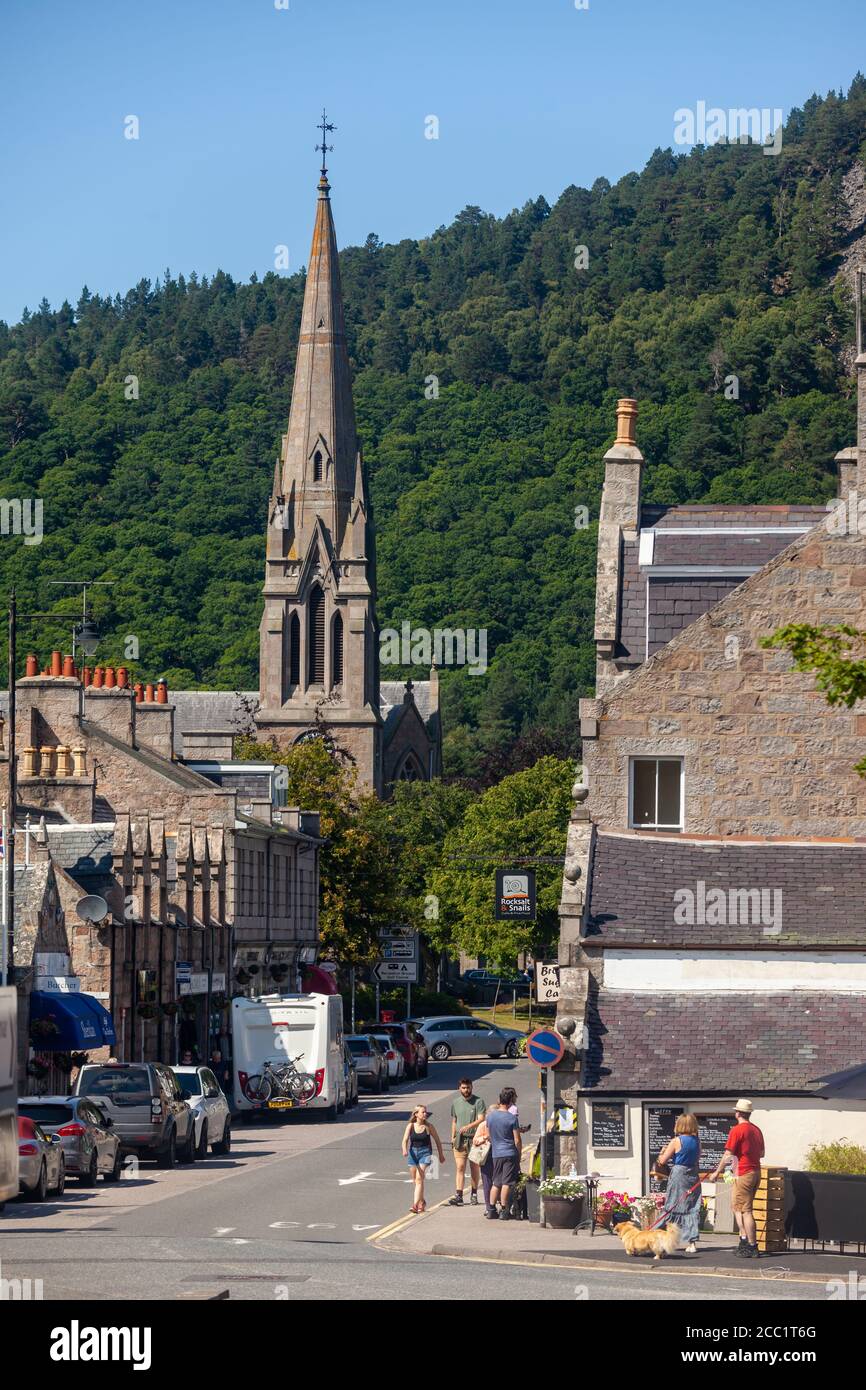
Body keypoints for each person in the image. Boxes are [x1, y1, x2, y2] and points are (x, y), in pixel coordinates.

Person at [707, 1099, 765, 1259]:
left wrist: (717, 1172)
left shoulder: (737, 1130)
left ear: (738, 1113)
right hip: (755, 1171)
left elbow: (728, 1154)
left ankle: (752, 1246)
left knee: (746, 1211)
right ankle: (744, 1240)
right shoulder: (756, 1130)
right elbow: (762, 1153)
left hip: (744, 1173)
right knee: (737, 1207)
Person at [657, 1113, 702, 1254]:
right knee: (691, 1207)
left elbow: (662, 1161)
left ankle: (659, 1236)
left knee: (672, 1204)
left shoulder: (676, 1141)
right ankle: (692, 1243)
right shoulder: (697, 1141)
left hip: (679, 1174)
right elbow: (698, 1158)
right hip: (693, 1174)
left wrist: (662, 1152)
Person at [485, 1088, 522, 1220]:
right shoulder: (512, 1118)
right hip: (509, 1153)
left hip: (496, 1153)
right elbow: (517, 1140)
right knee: (506, 1182)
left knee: (496, 1182)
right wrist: (519, 1154)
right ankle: (504, 1210)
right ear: (510, 1101)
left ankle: (491, 1210)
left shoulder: (490, 1117)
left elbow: (489, 1136)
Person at [449, 1078, 487, 1206]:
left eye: (468, 1087)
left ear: (472, 1087)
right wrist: (453, 1137)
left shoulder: (478, 1102)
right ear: (459, 1088)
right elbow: (454, 1121)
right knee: (460, 1167)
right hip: (460, 1140)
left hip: (475, 1139)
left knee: (474, 1167)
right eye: (464, 1088)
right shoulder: (456, 1102)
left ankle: (474, 1194)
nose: (466, 1090)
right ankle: (459, 1195)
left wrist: (468, 1126)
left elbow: (481, 1119)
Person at [402, 1104, 446, 1215]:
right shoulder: (410, 1126)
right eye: (423, 1112)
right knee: (415, 1180)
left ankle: (415, 1205)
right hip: (413, 1153)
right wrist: (404, 1150)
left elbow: (437, 1140)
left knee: (419, 1179)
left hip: (425, 1152)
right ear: (416, 1114)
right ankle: (422, 1202)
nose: (425, 1114)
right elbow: (405, 1140)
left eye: (426, 1112)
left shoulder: (429, 1126)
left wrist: (441, 1155)